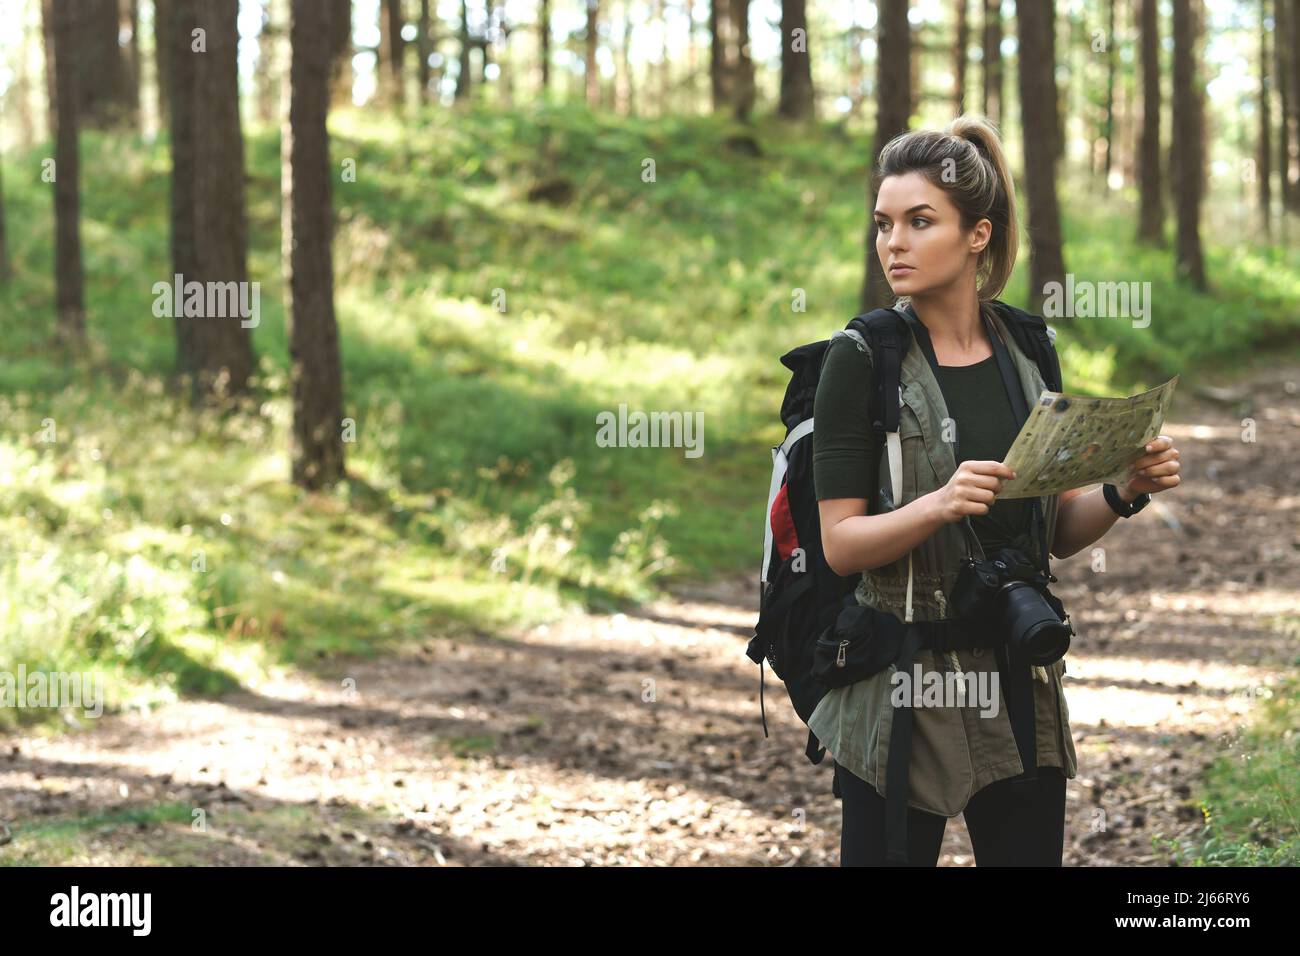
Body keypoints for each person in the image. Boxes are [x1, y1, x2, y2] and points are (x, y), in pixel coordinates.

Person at [808, 115, 1182, 866]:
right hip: (897, 690)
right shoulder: (862, 358)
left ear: (978, 235)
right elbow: (841, 546)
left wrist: (1121, 492)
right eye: (884, 224)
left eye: (920, 222)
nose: (894, 243)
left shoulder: (1028, 352)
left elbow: (1051, 532)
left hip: (1019, 678)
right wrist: (937, 504)